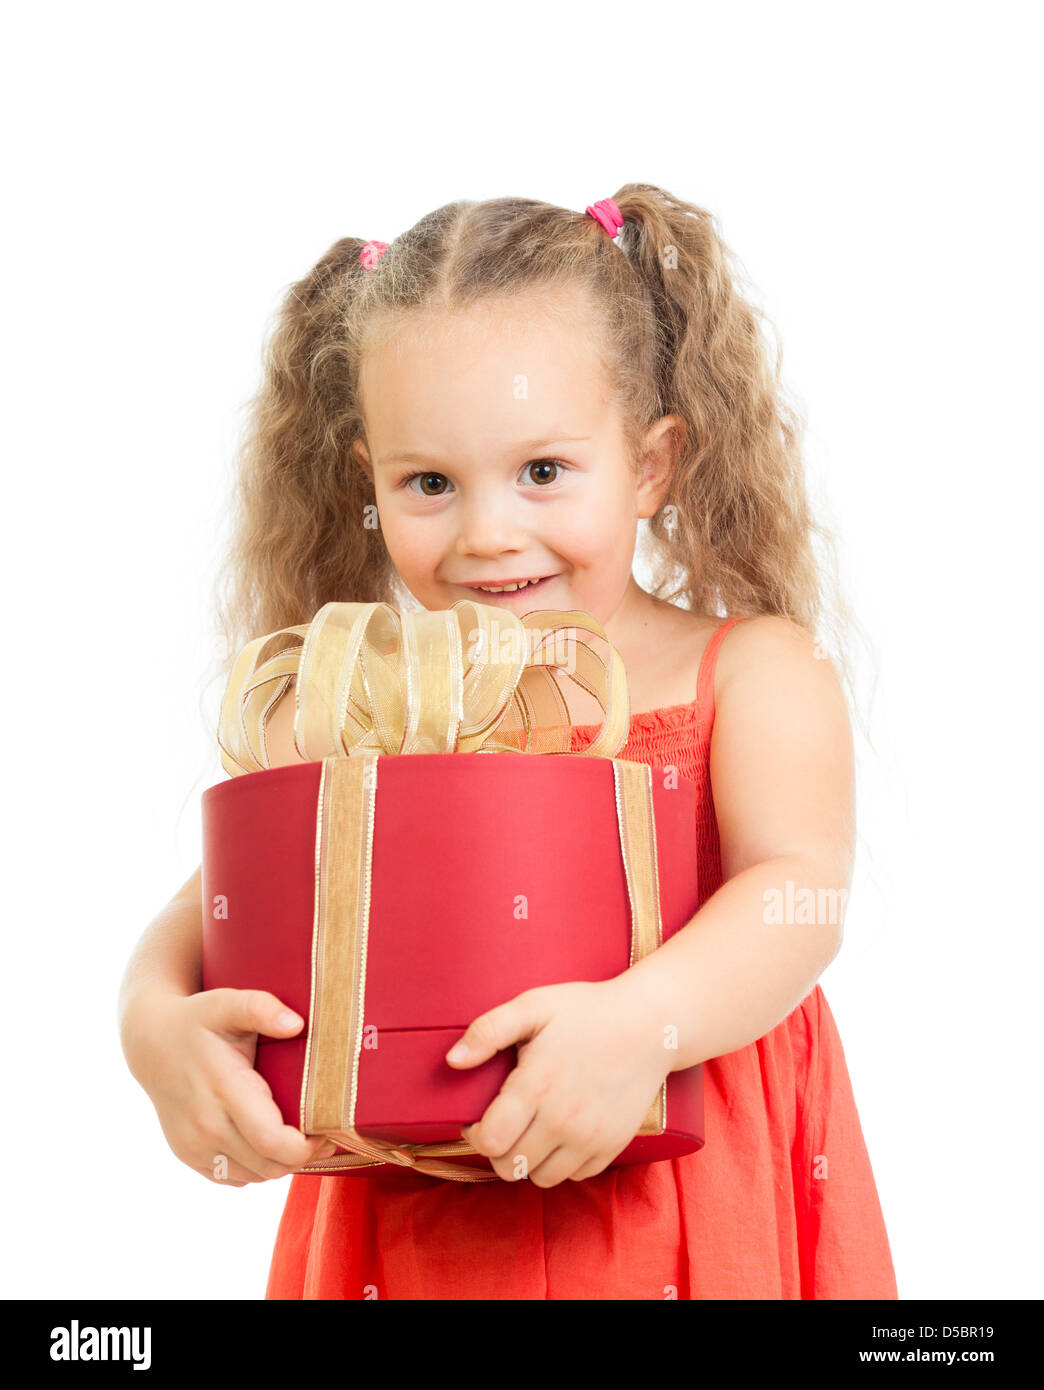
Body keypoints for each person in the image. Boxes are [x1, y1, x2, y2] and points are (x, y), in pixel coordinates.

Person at [118, 185, 898, 1300]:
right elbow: (212, 910)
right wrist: (153, 1024)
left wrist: (643, 1021)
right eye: (429, 482)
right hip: (420, 1233)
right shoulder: (374, 705)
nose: (490, 534)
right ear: (370, 491)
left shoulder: (751, 671)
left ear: (653, 463)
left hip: (692, 1214)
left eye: (543, 471)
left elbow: (797, 895)